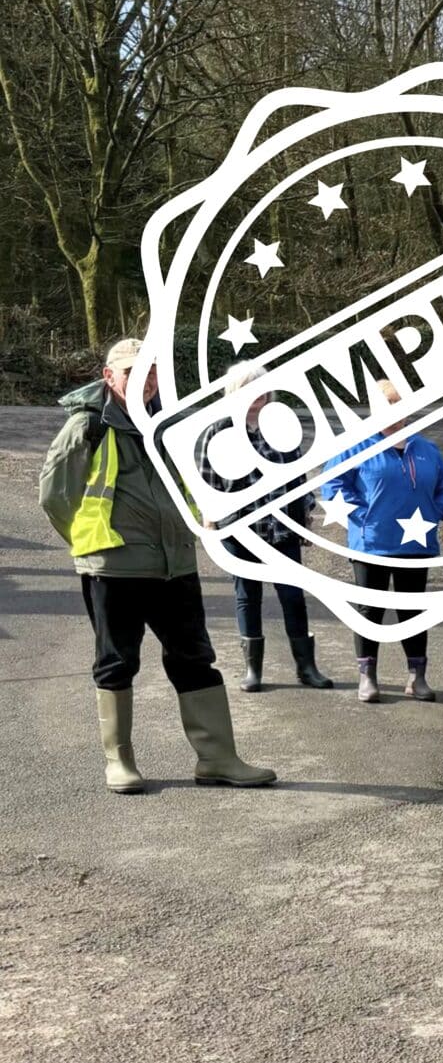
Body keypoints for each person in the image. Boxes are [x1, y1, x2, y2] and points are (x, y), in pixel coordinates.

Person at [39, 336, 276, 793]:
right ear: (110, 376)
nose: (145, 382)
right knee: (116, 662)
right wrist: (91, 545)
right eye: (133, 373)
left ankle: (217, 758)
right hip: (114, 567)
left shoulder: (169, 423)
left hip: (176, 564)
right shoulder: (87, 424)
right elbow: (55, 496)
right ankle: (120, 763)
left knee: (196, 658)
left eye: (151, 373)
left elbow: (194, 484)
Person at [196, 361, 333, 693]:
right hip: (241, 531)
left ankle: (306, 668)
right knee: (247, 597)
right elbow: (206, 482)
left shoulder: (281, 425)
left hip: (282, 529)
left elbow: (298, 476)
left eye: (260, 388)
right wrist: (210, 519)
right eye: (247, 388)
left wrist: (306, 515)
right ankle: (253, 670)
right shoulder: (217, 432)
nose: (255, 395)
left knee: (293, 597)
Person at [323, 379, 443, 703]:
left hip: (416, 544)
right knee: (370, 610)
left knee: (413, 610)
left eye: (399, 404)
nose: (394, 412)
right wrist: (363, 514)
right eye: (387, 405)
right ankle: (367, 676)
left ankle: (417, 676)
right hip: (373, 544)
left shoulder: (426, 449)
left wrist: (439, 509)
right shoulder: (356, 446)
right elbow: (333, 484)